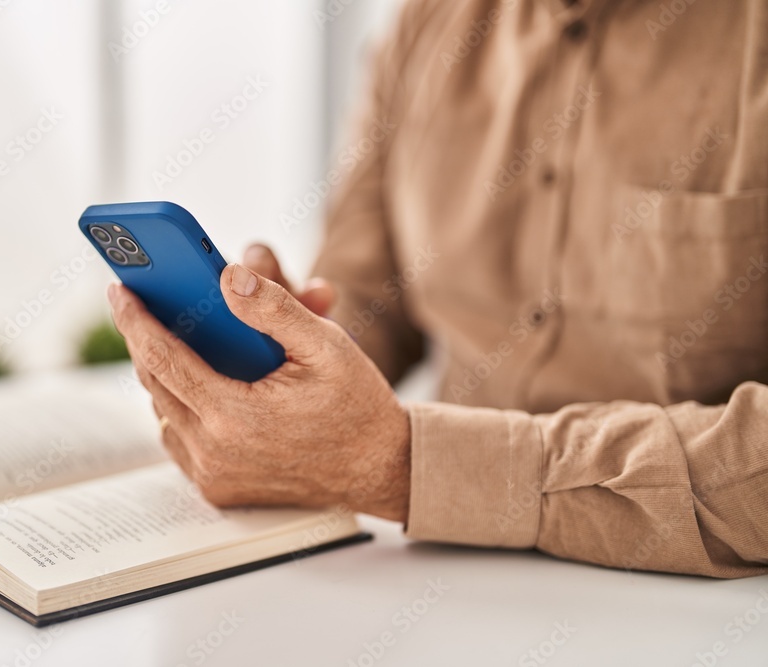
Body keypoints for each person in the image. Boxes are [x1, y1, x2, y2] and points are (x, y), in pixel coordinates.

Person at [109, 0, 768, 578]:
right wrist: (287, 359)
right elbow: (365, 297)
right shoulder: (426, 22)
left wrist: (411, 464)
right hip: (433, 576)